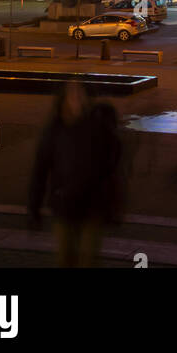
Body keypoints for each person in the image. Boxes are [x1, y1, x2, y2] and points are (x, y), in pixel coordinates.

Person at [28, 83, 121, 267]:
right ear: (63, 100)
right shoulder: (54, 131)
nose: (77, 101)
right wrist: (34, 206)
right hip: (65, 205)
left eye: (80, 96)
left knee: (87, 260)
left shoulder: (98, 127)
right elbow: (40, 170)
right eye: (73, 96)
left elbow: (112, 164)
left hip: (92, 205)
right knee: (65, 259)